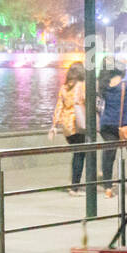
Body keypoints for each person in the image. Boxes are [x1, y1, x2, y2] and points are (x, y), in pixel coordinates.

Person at [98, 59, 127, 197]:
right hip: (125, 125)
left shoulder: (103, 86)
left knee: (108, 156)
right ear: (121, 71)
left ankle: (107, 188)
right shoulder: (126, 85)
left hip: (107, 125)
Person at [49, 62, 87, 196]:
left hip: (67, 128)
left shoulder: (64, 88)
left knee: (78, 154)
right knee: (80, 155)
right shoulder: (81, 86)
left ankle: (74, 183)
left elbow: (59, 106)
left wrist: (54, 126)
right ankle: (74, 187)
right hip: (79, 125)